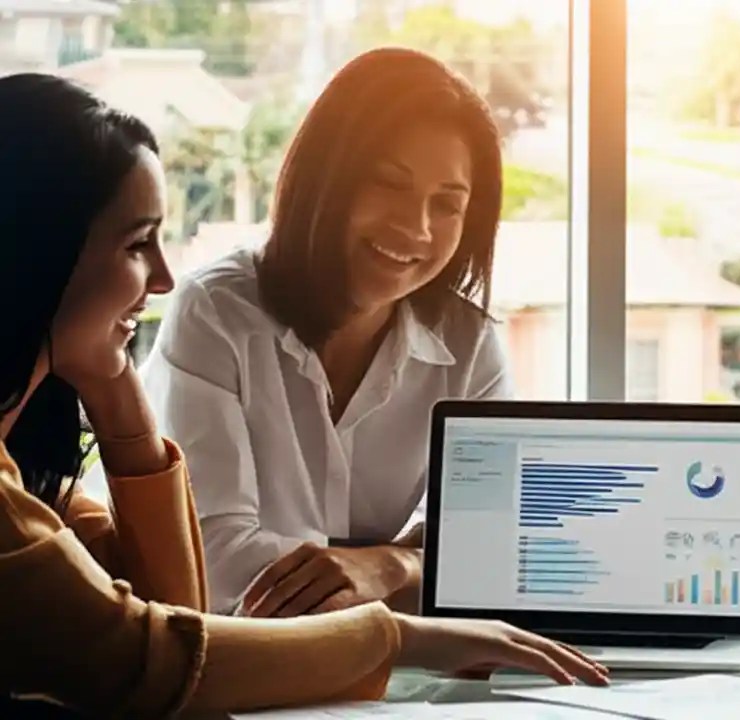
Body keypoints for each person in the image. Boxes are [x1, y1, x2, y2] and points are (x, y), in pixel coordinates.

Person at [0, 73, 606, 718]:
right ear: (38, 252)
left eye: (449, 203)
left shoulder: (34, 483)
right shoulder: (217, 308)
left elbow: (173, 613)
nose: (166, 278)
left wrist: (118, 397)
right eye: (137, 244)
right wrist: (402, 629)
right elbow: (155, 654)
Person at [139, 47, 514, 617]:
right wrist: (409, 574)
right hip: (229, 660)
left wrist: (390, 565)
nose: (415, 228)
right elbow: (213, 564)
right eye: (388, 184)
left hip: (375, 673)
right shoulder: (215, 313)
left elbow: (493, 553)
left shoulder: (469, 343)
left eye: (446, 204)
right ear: (325, 179)